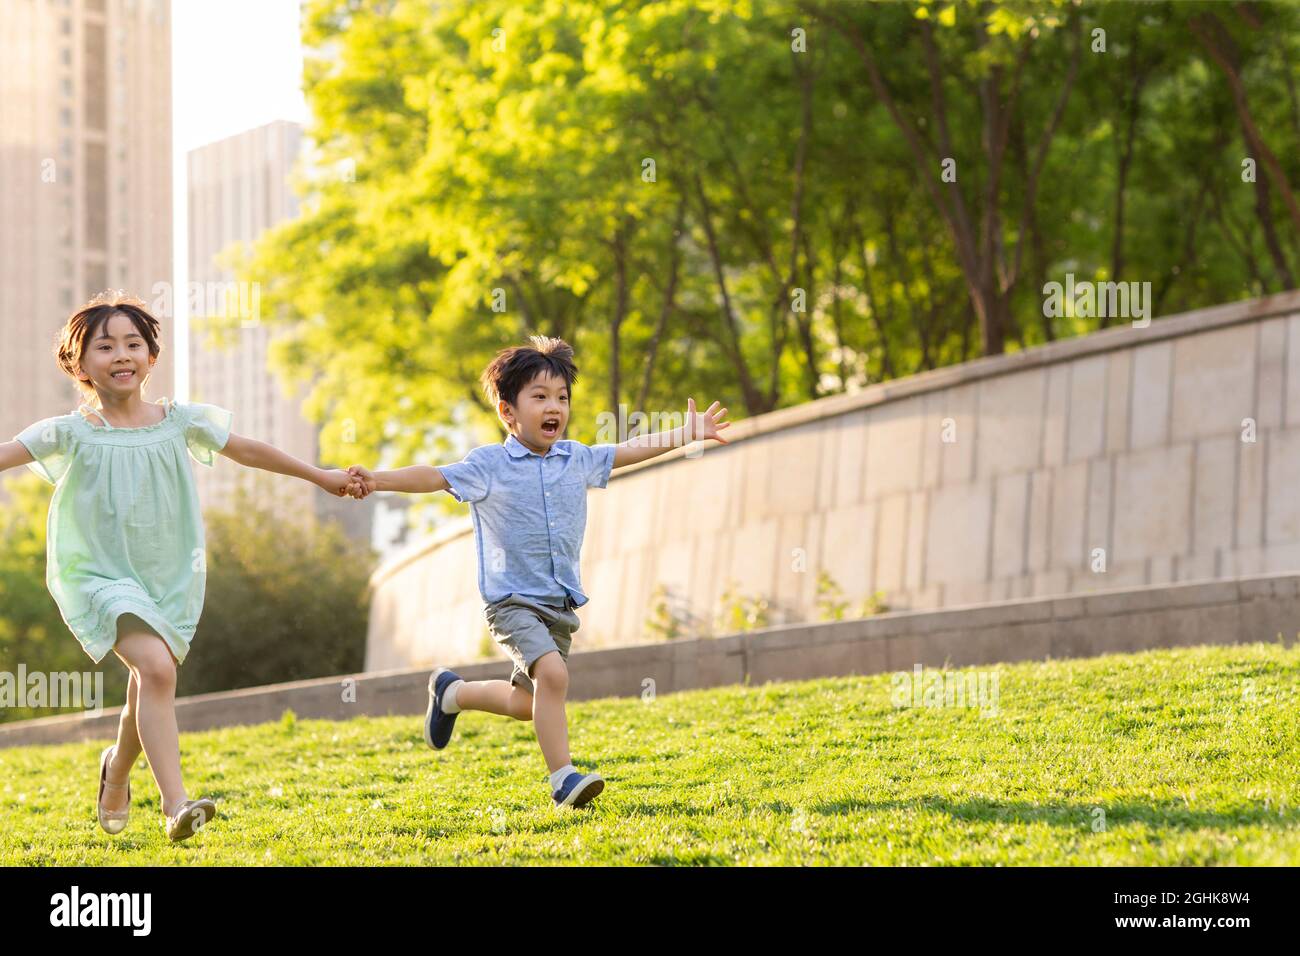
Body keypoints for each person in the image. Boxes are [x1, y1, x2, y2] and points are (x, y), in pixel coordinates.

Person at [0, 292, 360, 841]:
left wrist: (321, 474)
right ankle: (176, 805)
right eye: (105, 346)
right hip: (94, 573)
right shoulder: (71, 431)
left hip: (168, 573)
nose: (121, 354)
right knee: (159, 671)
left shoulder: (179, 421)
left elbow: (251, 450)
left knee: (150, 679)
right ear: (80, 364)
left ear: (150, 357)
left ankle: (116, 770)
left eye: (132, 343)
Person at [346, 335, 729, 809]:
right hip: (511, 602)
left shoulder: (577, 458)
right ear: (508, 412)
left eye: (562, 398)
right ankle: (563, 780)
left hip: (558, 605)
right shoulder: (489, 464)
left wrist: (685, 433)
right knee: (554, 675)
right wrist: (377, 479)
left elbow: (630, 449)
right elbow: (434, 476)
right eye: (540, 397)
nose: (555, 407)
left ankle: (452, 693)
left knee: (525, 704)